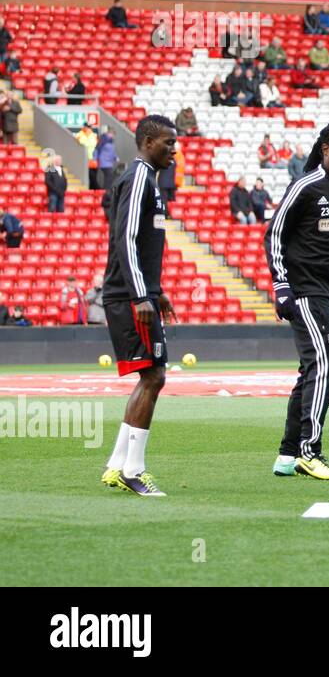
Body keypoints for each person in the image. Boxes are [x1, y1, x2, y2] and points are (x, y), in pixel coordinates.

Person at [267, 121, 329, 481]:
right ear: (326, 149)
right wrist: (281, 286)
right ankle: (311, 452)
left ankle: (288, 455)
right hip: (306, 291)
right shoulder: (305, 187)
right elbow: (275, 234)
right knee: (326, 365)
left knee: (312, 371)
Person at [99, 115, 179, 497]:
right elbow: (126, 238)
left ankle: (118, 466)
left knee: (153, 376)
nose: (174, 150)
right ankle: (134, 470)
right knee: (154, 377)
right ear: (148, 142)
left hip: (139, 292)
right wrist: (140, 294)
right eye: (168, 143)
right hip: (128, 295)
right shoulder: (138, 178)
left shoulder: (148, 180)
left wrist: (155, 288)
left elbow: (143, 242)